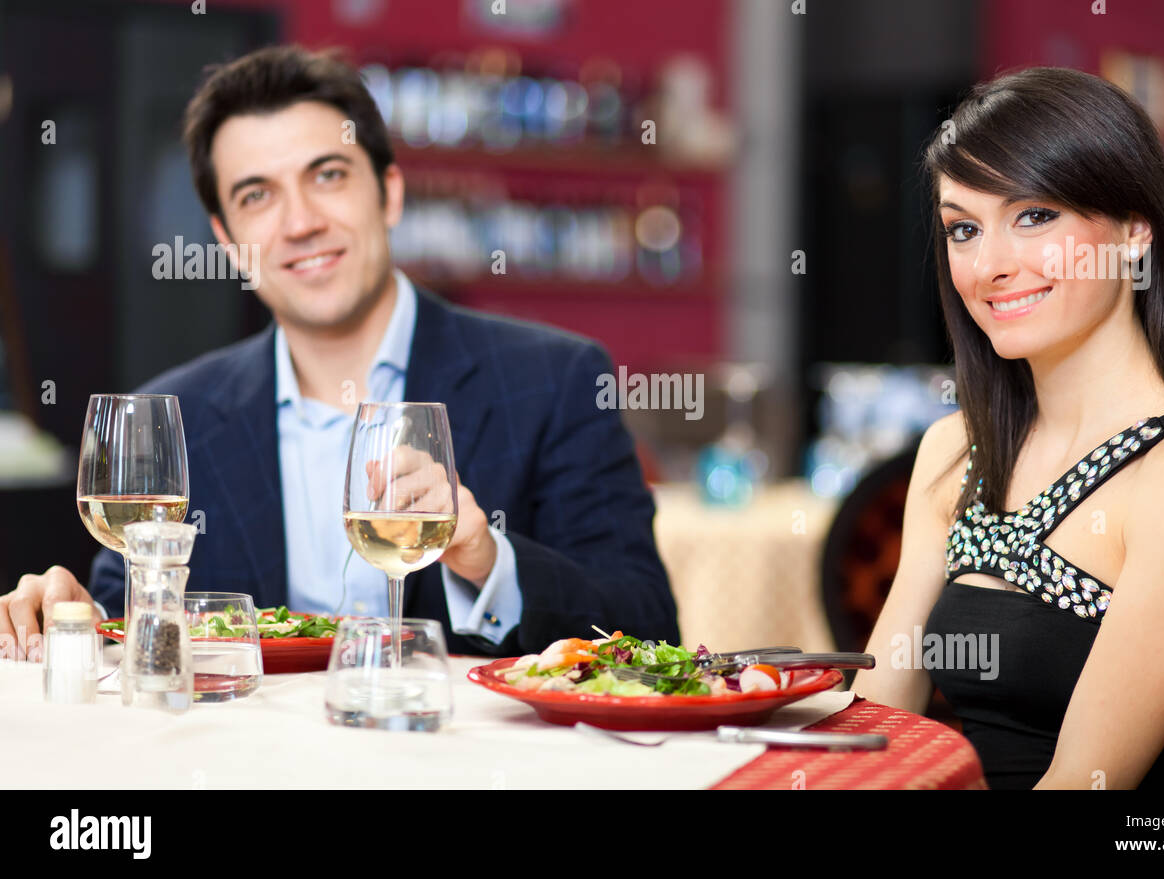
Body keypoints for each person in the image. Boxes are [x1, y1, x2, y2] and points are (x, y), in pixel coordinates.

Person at [0, 45, 679, 660]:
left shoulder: (555, 380)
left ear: (389, 193)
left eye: (327, 175)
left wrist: (486, 559)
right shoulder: (175, 417)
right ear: (227, 237)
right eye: (257, 194)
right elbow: (137, 629)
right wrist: (75, 621)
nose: (300, 223)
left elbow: (649, 629)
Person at [852, 67, 1164, 789]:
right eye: (963, 228)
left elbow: (1082, 781)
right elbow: (873, 730)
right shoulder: (955, 452)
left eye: (1035, 216)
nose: (989, 266)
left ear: (1135, 233)